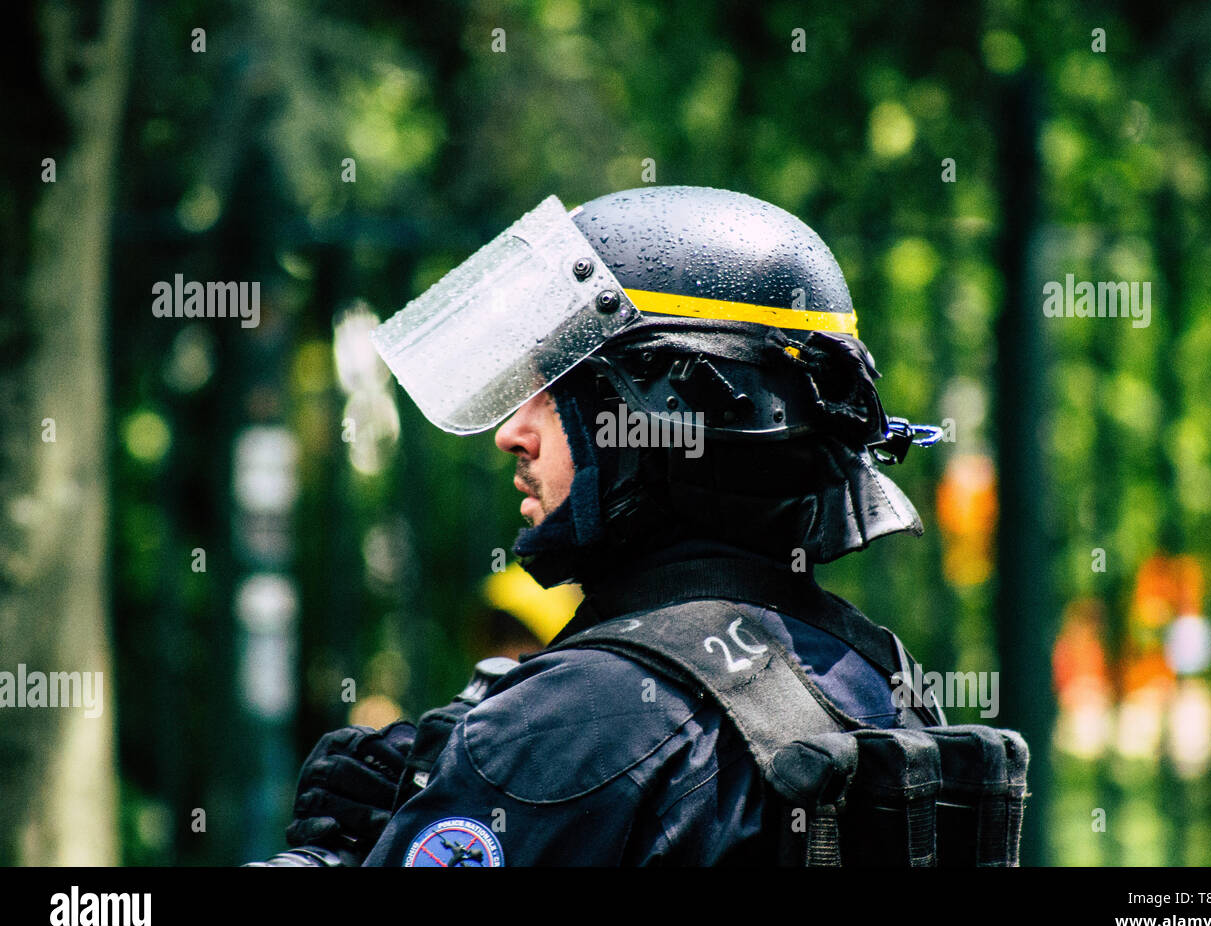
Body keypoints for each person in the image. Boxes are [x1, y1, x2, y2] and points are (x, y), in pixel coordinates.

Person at [273, 186, 971, 868]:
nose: (513, 432)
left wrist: (331, 853)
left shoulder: (570, 722)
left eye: (555, 389)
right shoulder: (877, 681)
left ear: (670, 415)